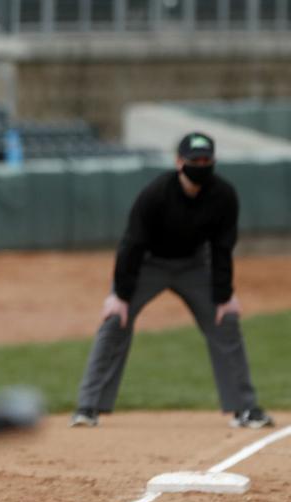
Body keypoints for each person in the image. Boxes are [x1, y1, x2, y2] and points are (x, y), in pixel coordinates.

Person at [70, 132, 274, 429]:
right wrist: (120, 296)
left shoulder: (223, 195)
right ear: (180, 162)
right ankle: (88, 407)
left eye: (206, 160)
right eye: (195, 160)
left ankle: (245, 408)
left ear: (213, 162)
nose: (201, 165)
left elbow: (222, 247)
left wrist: (224, 294)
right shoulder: (155, 194)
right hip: (148, 264)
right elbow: (132, 243)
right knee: (115, 321)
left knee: (226, 320)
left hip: (194, 266)